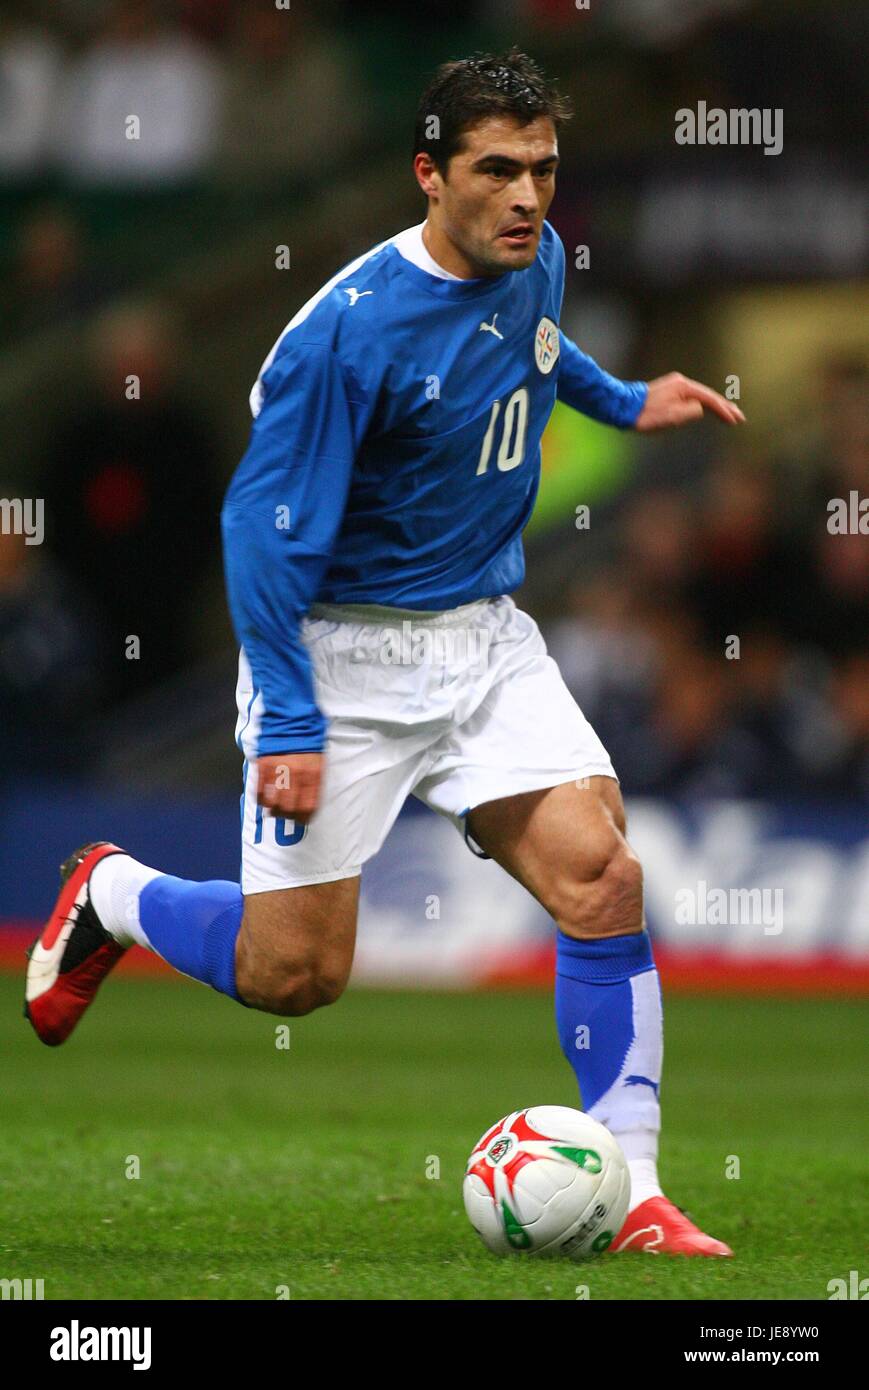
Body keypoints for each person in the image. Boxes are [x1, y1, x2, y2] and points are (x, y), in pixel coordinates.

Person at [26, 50, 743, 1257]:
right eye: (497, 171)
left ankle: (635, 1190)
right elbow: (260, 537)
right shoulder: (341, 341)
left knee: (600, 877)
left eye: (544, 170)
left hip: (481, 642)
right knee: (294, 976)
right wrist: (297, 722)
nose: (528, 197)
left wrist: (624, 400)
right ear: (427, 174)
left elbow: (533, 353)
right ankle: (112, 894)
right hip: (339, 657)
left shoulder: (540, 258)